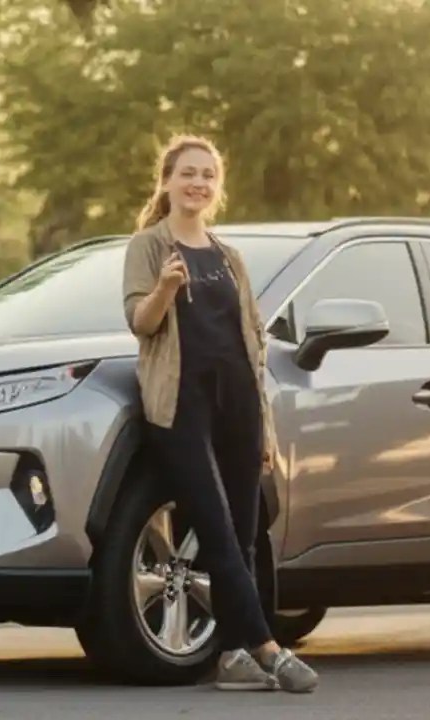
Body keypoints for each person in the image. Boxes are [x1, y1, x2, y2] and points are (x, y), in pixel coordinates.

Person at [121, 134, 319, 694]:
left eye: (208, 175)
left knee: (244, 531)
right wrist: (163, 289)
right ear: (167, 181)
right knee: (215, 529)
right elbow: (140, 322)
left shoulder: (229, 256)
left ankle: (234, 656)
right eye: (188, 173)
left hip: (237, 402)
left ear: (216, 187)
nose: (198, 183)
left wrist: (266, 426)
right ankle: (270, 649)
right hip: (181, 406)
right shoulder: (150, 247)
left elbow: (253, 343)